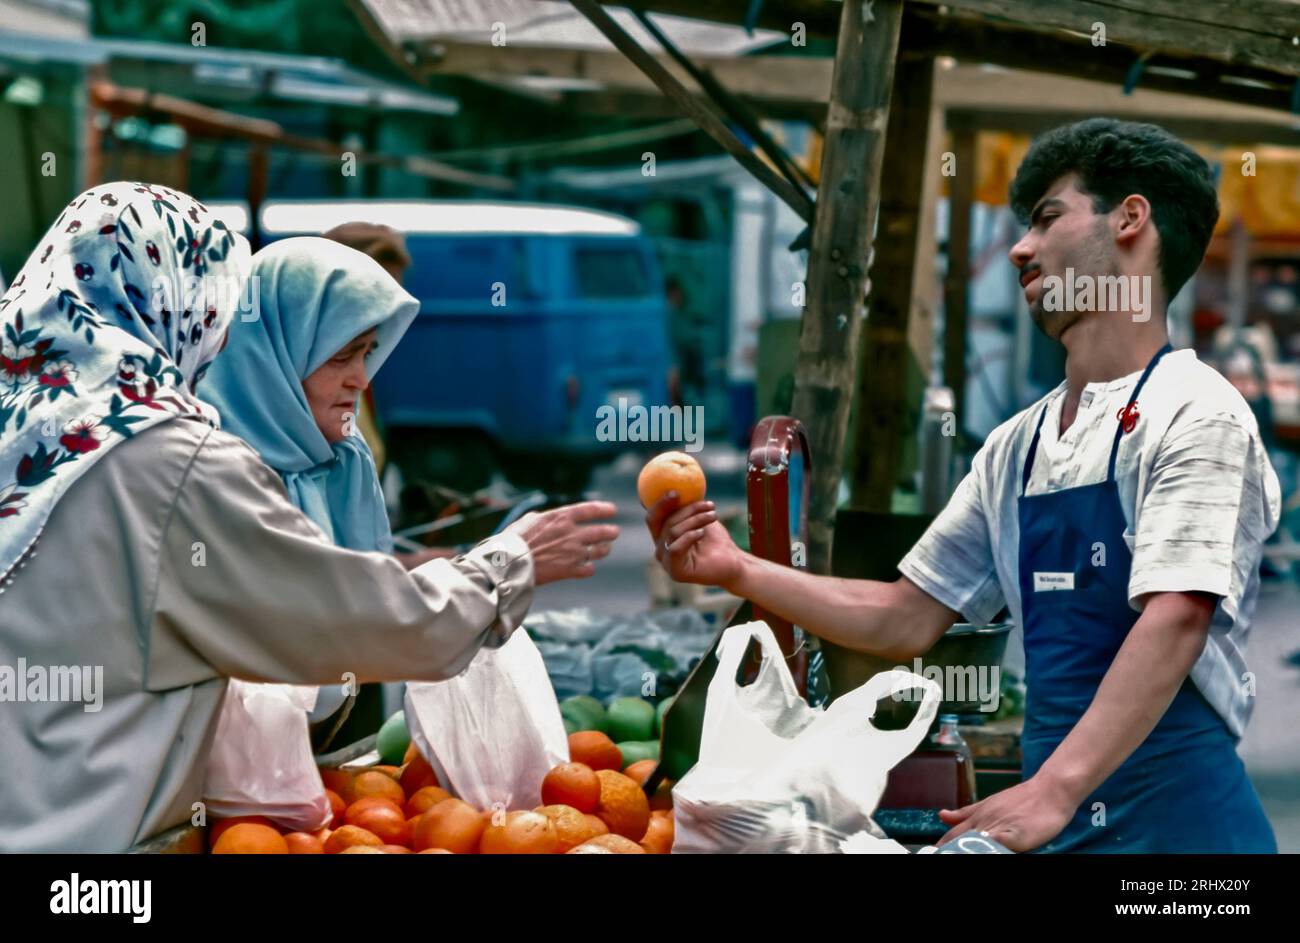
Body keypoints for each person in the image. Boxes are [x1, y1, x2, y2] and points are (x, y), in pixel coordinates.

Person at [647, 119, 1280, 853]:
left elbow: (1176, 614)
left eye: (1047, 219)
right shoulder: (1020, 443)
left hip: (1185, 840)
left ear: (1131, 219)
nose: (1020, 248)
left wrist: (1054, 788)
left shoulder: (1197, 411)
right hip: (1060, 827)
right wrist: (737, 567)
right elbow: (906, 616)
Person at [0, 182, 618, 852]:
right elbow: (353, 614)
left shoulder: (28, 426)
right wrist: (504, 566)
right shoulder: (170, 458)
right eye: (217, 305)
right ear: (177, 300)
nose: (221, 332)